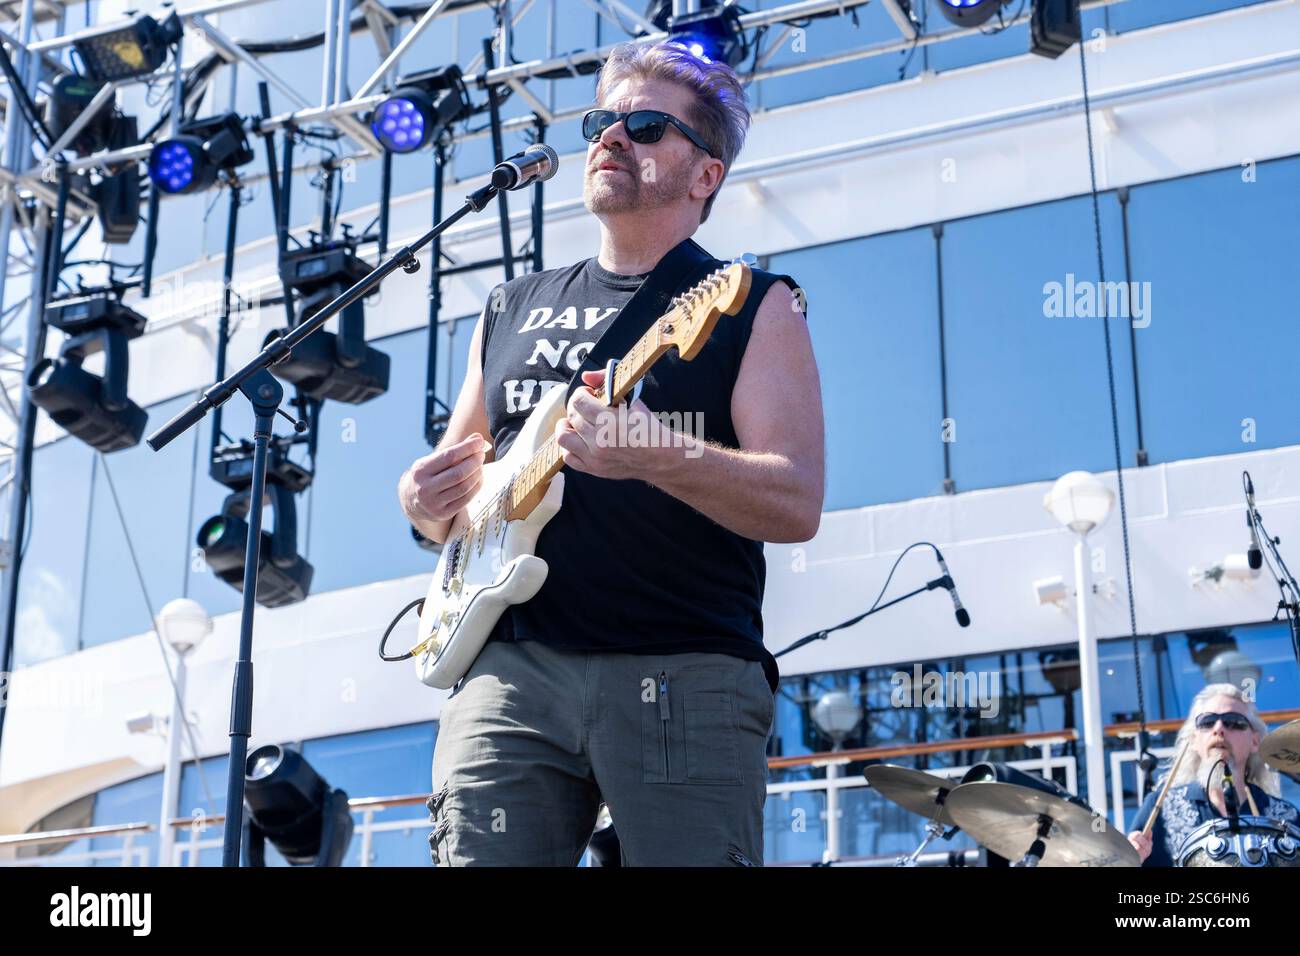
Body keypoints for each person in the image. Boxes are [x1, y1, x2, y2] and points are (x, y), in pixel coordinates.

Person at [398, 40, 824, 866]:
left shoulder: (750, 302)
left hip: (681, 668)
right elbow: (452, 494)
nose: (611, 137)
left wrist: (658, 456)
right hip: (507, 670)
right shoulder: (509, 306)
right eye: (602, 121)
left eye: (647, 125)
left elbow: (796, 502)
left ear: (706, 176)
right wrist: (419, 503)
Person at [1127, 683, 1299, 866]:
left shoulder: (1284, 817)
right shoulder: (1160, 808)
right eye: (1207, 722)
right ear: (1194, 740)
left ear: (1255, 741)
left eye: (1233, 721)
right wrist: (1132, 860)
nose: (1218, 728)